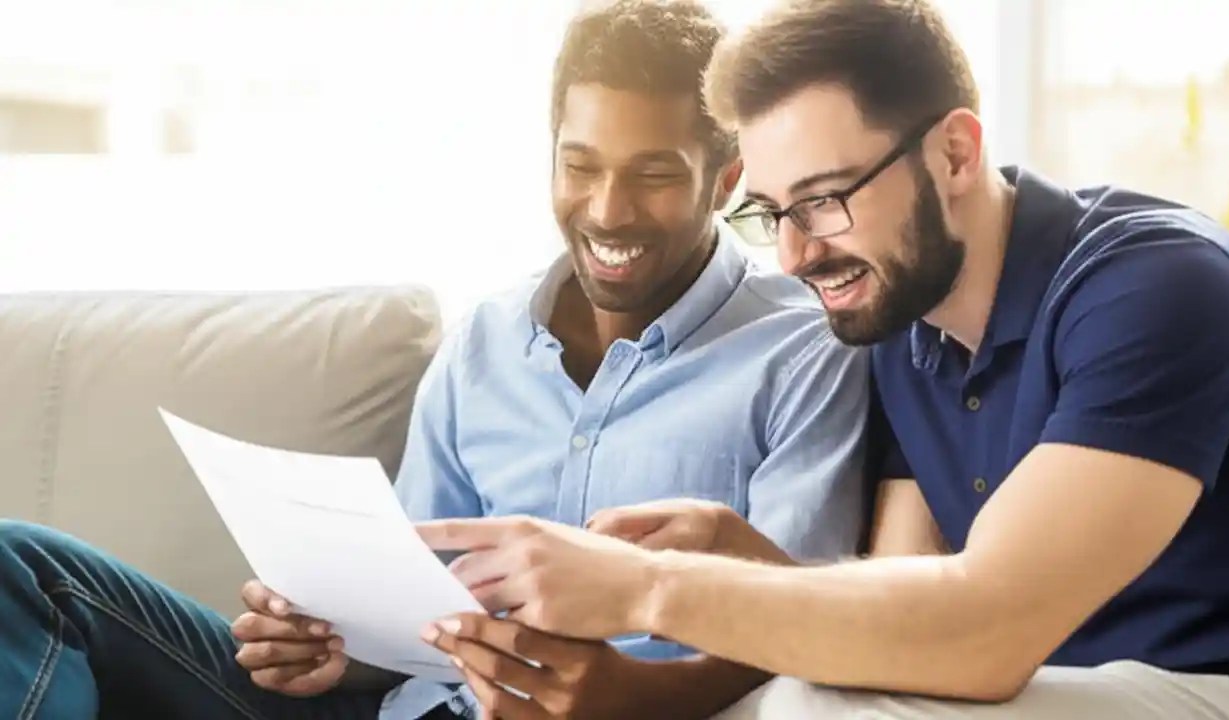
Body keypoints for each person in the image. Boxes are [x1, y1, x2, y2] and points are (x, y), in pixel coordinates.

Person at [0, 2, 873, 719]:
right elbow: (412, 617)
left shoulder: (803, 353)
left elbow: (804, 628)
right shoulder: (486, 344)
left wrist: (633, 698)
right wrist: (331, 647)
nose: (608, 210)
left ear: (724, 180)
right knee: (27, 570)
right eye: (580, 166)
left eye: (654, 174)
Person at [415, 0, 1229, 717]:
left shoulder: (1155, 287)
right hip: (1043, 683)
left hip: (1224, 686)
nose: (793, 257)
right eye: (772, 213)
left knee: (807, 710)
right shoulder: (903, 322)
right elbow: (907, 606)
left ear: (955, 153)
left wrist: (646, 586)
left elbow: (985, 627)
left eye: (825, 202)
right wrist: (751, 560)